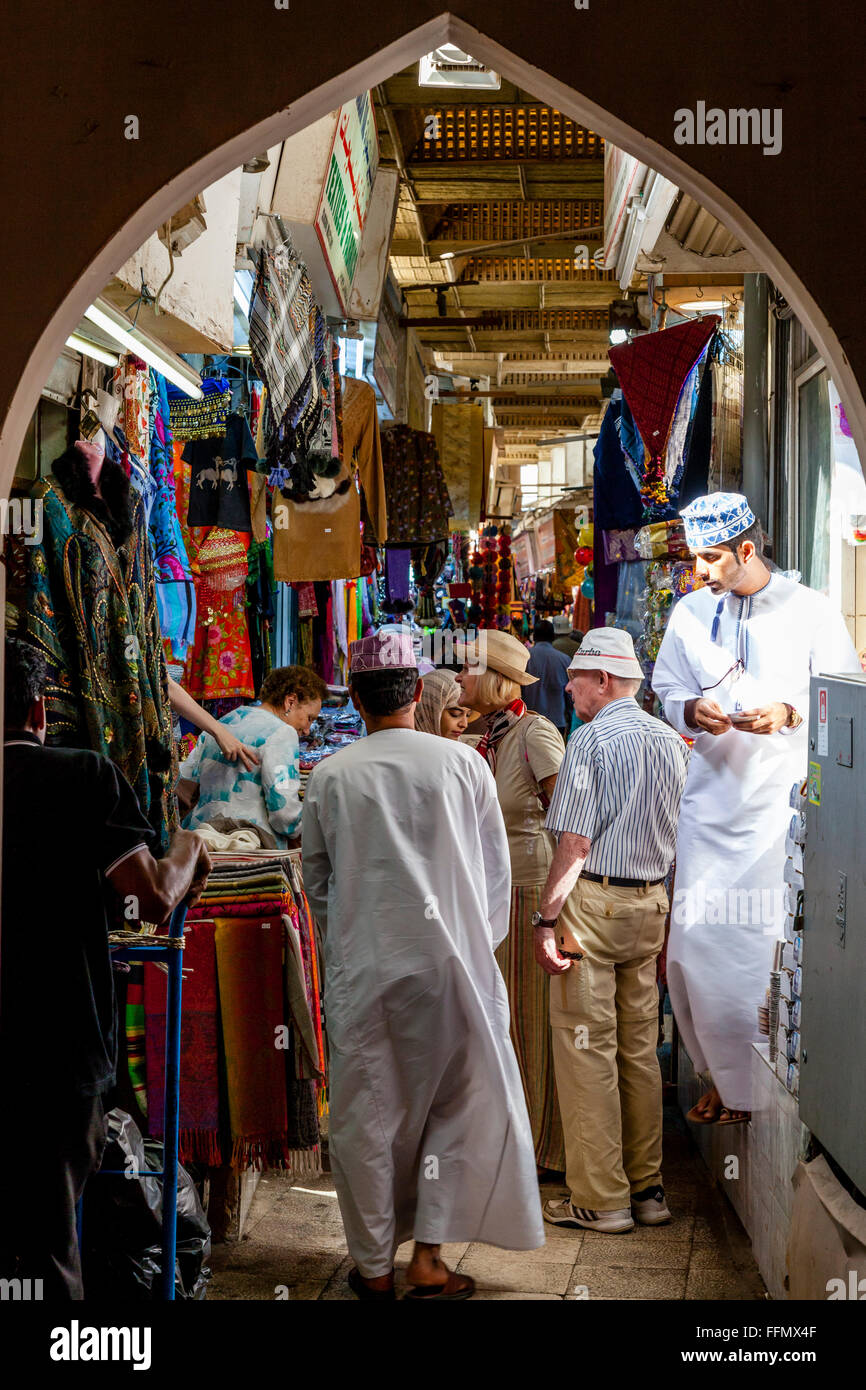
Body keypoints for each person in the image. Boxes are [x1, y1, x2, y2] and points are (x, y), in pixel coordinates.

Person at [301, 630, 543, 1300]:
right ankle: (429, 1259)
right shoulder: (463, 765)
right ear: (417, 693)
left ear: (353, 697)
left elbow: (317, 885)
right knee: (455, 1106)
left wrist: (348, 943)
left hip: (365, 969)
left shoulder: (330, 776)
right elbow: (496, 874)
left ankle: (373, 1268)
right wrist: (475, 945)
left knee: (366, 1119)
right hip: (454, 966)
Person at [0, 638, 212, 1299]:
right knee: (45, 1246)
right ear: (39, 712)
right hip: (53, 1055)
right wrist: (187, 847)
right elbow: (149, 898)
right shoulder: (81, 776)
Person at [651, 492, 860, 1123]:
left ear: (747, 549)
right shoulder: (689, 612)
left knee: (762, 942)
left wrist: (789, 713)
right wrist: (690, 711)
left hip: (777, 811)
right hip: (709, 805)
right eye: (695, 559)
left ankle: (754, 1088)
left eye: (711, 558)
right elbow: (665, 688)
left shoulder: (813, 612)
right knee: (694, 946)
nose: (701, 572)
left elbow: (842, 700)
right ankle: (720, 1075)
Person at [534, 628, 689, 1234]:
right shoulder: (670, 741)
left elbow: (573, 844)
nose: (566, 686)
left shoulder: (591, 740)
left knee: (585, 1049)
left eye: (576, 676)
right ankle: (648, 1191)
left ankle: (602, 1201)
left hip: (592, 907)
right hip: (651, 904)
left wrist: (547, 919)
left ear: (604, 679)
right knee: (639, 1051)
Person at [457, 630, 567, 1176]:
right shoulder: (484, 737)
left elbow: (568, 819)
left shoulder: (533, 732)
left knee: (527, 1023)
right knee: (500, 1022)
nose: (458, 679)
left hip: (529, 891)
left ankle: (543, 1149)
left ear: (494, 679)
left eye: (467, 670)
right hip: (492, 895)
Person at [177, 665, 326, 847]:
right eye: (309, 718)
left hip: (202, 839)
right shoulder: (281, 733)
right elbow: (283, 812)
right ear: (291, 701)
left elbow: (186, 781)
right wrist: (305, 830)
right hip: (250, 843)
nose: (307, 730)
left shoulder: (221, 724)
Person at [523, 620, 571, 738]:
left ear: (534, 636)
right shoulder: (564, 660)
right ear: (553, 636)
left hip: (528, 721)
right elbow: (570, 696)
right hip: (556, 722)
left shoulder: (524, 657)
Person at [414, 668, 471, 739]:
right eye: (455, 714)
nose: (464, 724)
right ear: (429, 710)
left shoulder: (461, 748)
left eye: (468, 715)